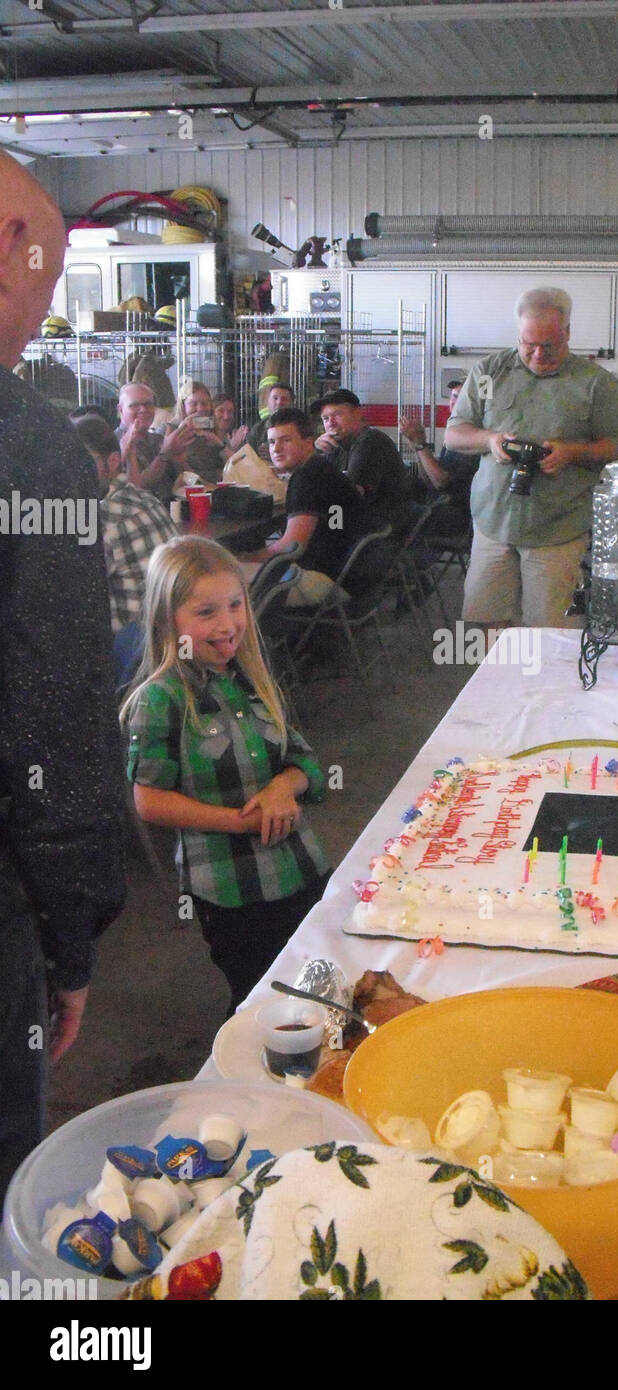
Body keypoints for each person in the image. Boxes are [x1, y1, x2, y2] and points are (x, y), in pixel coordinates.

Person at [0, 151, 125, 1202]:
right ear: (11, 244)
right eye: (48, 280)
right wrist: (70, 933)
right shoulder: (29, 445)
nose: (44, 314)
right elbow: (53, 713)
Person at [121, 536, 332, 1011]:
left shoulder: (252, 676)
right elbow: (149, 800)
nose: (227, 624)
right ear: (167, 620)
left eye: (235, 605)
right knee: (263, 1001)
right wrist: (240, 821)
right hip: (233, 893)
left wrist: (284, 784)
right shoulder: (161, 699)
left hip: (301, 869)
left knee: (321, 983)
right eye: (206, 613)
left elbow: (305, 758)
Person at [444, 286, 618, 628]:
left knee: (550, 637)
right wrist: (491, 440)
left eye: (549, 346)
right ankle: (496, 682)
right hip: (493, 523)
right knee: (484, 625)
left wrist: (572, 453)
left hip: (557, 530)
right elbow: (454, 434)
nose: (537, 355)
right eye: (528, 344)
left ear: (568, 334)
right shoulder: (489, 373)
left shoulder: (595, 384)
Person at [71, 412, 180, 687]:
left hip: (137, 662)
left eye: (83, 461)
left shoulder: (103, 517)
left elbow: (66, 594)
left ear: (112, 461)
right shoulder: (143, 497)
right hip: (175, 647)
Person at [240, 406, 363, 607]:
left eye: (286, 440)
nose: (276, 449)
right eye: (272, 441)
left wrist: (245, 557)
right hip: (350, 573)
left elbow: (292, 547)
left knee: (222, 577)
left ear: (308, 443)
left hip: (326, 579)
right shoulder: (322, 468)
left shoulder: (306, 479)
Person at [314, 389, 414, 538]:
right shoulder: (339, 443)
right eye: (325, 418)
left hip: (381, 533)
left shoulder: (369, 441)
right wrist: (315, 452)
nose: (331, 423)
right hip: (365, 522)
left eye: (337, 415)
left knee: (308, 530)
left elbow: (348, 496)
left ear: (358, 413)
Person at [399, 378, 480, 538]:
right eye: (454, 396)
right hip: (438, 507)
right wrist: (417, 447)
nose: (454, 402)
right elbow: (430, 481)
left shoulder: (471, 436)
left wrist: (421, 446)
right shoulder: (455, 430)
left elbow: (441, 482)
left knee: (393, 520)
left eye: (461, 397)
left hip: (455, 517)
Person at [116, 382, 188, 503]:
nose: (143, 410)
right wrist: (164, 454)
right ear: (120, 409)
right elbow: (135, 489)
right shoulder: (114, 444)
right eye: (134, 405)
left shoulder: (159, 440)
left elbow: (183, 482)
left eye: (148, 404)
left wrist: (181, 462)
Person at [164, 379, 231, 485]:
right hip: (188, 489)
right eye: (193, 404)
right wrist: (182, 429)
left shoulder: (215, 428)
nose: (200, 409)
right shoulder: (170, 429)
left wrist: (219, 443)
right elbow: (176, 473)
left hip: (218, 488)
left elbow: (234, 465)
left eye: (204, 404)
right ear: (183, 406)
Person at [246, 383, 295, 461]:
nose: (279, 402)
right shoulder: (258, 429)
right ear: (268, 402)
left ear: (291, 403)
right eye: (275, 398)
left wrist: (274, 454)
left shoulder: (299, 426)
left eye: (284, 399)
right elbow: (247, 457)